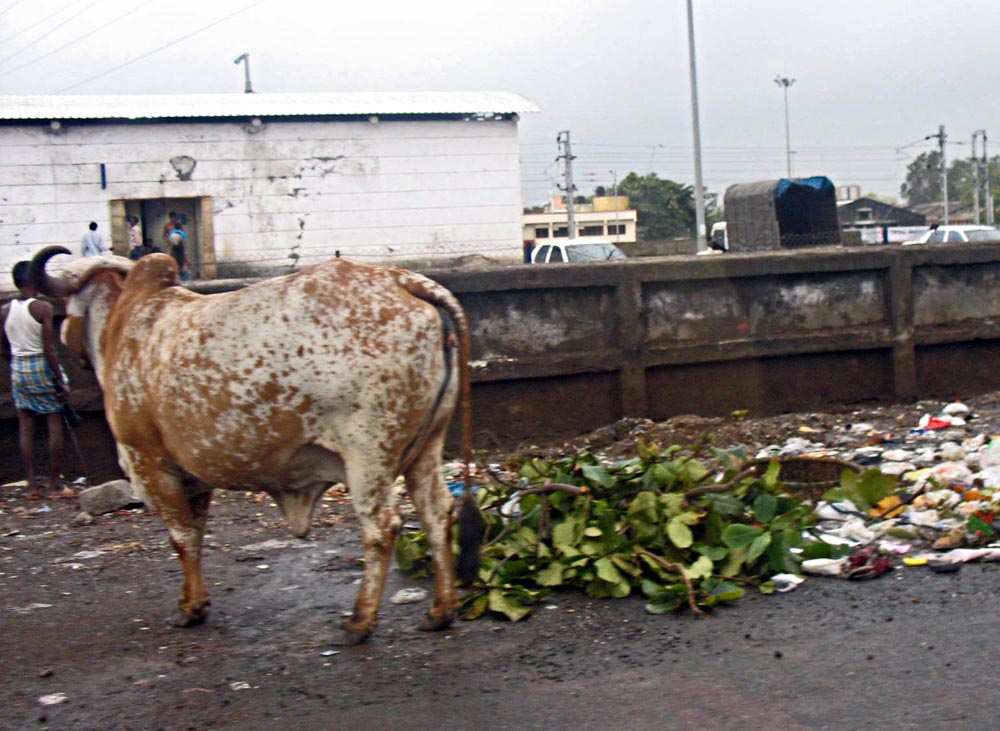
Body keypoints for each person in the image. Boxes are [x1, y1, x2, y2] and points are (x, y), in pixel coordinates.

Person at [1, 261, 74, 499]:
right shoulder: (42, 308)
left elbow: (2, 347)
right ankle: (54, 485)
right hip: (40, 366)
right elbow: (50, 349)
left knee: (26, 425)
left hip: (18, 368)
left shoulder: (5, 310)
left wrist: (14, 362)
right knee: (54, 422)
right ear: (34, 281)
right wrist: (60, 381)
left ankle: (32, 486)